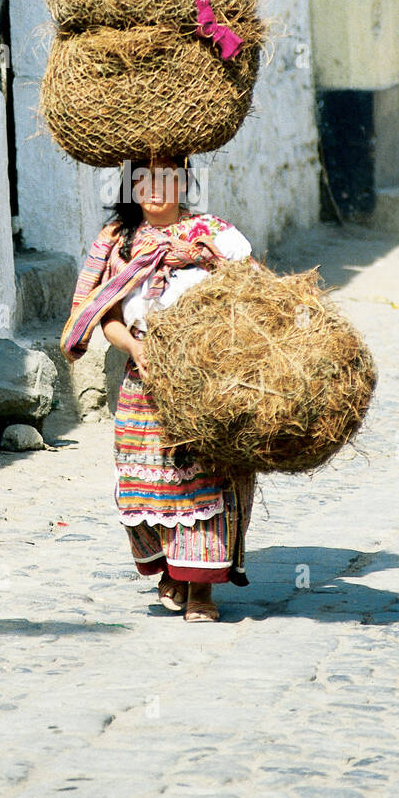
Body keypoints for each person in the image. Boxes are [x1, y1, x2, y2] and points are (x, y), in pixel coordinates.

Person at [61, 156, 256, 622]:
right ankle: (174, 568)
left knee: (206, 477)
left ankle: (202, 592)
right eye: (144, 179)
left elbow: (251, 294)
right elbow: (102, 313)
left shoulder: (216, 233)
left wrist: (213, 261)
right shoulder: (115, 242)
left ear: (184, 183)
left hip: (205, 377)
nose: (154, 189)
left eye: (167, 178)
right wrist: (134, 346)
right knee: (145, 483)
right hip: (142, 378)